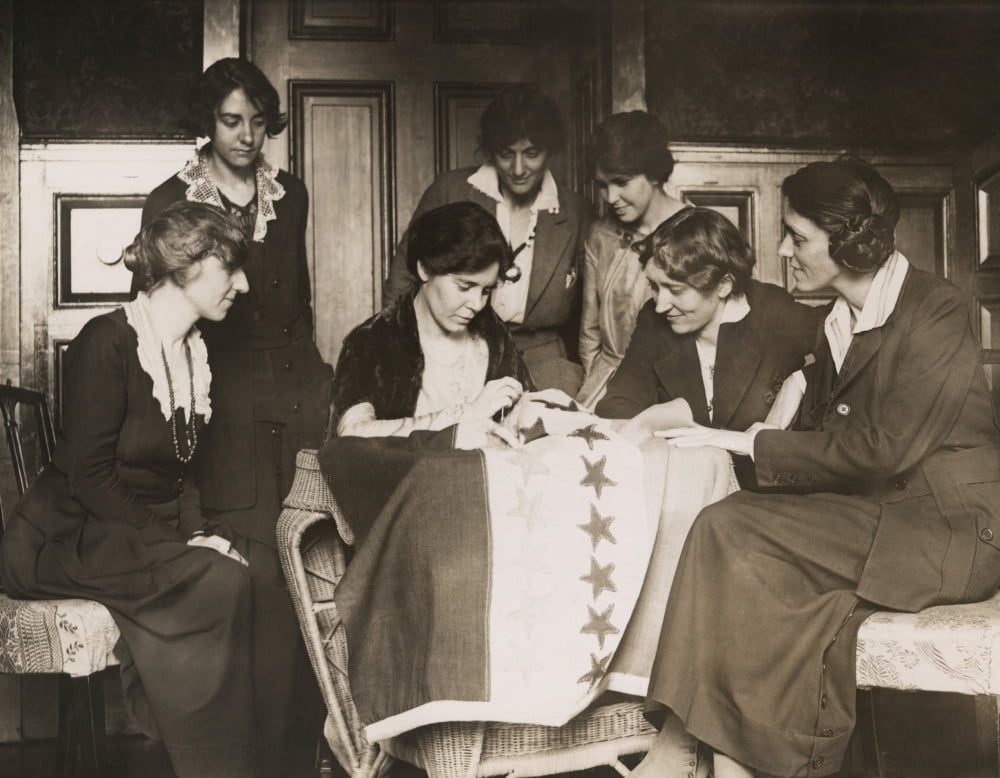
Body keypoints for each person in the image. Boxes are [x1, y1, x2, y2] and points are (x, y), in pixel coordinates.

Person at [636, 159, 1000, 778]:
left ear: (852, 241)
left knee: (735, 531)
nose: (783, 249)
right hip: (881, 513)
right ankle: (725, 758)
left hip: (953, 529)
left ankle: (689, 752)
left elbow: (885, 449)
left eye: (798, 237)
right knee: (728, 523)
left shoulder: (936, 307)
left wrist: (749, 443)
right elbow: (827, 447)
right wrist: (785, 409)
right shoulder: (836, 324)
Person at [2, 202, 256, 777]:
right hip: (65, 536)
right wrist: (182, 548)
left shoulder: (194, 351)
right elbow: (89, 477)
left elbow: (183, 469)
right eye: (230, 268)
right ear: (185, 266)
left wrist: (194, 533)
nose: (243, 284)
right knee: (220, 578)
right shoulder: (108, 341)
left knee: (257, 567)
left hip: (132, 526)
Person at [135, 57, 332, 771]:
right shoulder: (170, 197)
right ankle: (244, 754)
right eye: (230, 120)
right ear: (207, 124)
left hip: (298, 393)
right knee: (253, 568)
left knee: (309, 558)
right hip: (222, 405)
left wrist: (321, 393)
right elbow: (157, 319)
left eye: (256, 120)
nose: (247, 135)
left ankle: (303, 748)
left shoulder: (293, 193)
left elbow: (302, 302)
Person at [381, 85, 590, 395]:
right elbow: (404, 278)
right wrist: (399, 357)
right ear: (491, 151)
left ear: (550, 150)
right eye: (507, 154)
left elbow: (588, 310)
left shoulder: (574, 210)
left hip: (546, 369)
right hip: (455, 357)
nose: (518, 169)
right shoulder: (451, 190)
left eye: (531, 153)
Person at [597, 207, 820, 487]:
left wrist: (798, 383)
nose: (661, 304)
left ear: (724, 285)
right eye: (654, 286)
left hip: (764, 491)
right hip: (685, 483)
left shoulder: (773, 312)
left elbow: (851, 350)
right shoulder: (653, 318)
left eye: (676, 290)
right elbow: (618, 405)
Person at [331, 201, 531, 440]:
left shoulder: (491, 332)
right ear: (425, 269)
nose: (477, 304)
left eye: (486, 291)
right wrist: (467, 415)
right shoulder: (372, 340)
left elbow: (526, 410)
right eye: (465, 286)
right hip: (406, 478)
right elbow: (350, 437)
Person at [577, 110, 690, 409]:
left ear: (653, 173)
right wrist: (595, 384)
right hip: (607, 385)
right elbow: (590, 332)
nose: (610, 196)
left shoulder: (698, 231)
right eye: (602, 184)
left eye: (621, 182)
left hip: (676, 389)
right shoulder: (600, 234)